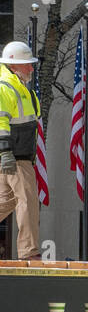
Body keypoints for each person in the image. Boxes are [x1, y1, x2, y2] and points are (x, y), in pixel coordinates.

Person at [0, 40, 43, 259]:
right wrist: (5, 151)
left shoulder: (20, 88)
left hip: (16, 156)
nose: (31, 68)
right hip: (15, 157)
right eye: (27, 64)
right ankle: (29, 253)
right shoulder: (6, 88)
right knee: (28, 201)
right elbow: (1, 121)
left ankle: (28, 251)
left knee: (5, 201)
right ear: (13, 66)